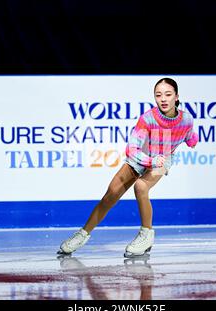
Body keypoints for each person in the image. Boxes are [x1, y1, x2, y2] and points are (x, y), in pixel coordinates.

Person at [57, 78, 199, 257]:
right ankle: (82, 234)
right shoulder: (147, 119)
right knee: (110, 196)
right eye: (158, 95)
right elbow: (131, 149)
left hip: (164, 159)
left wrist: (192, 140)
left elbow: (189, 135)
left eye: (168, 94)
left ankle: (146, 235)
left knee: (141, 186)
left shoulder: (186, 119)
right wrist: (150, 161)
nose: (163, 99)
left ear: (177, 97)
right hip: (140, 156)